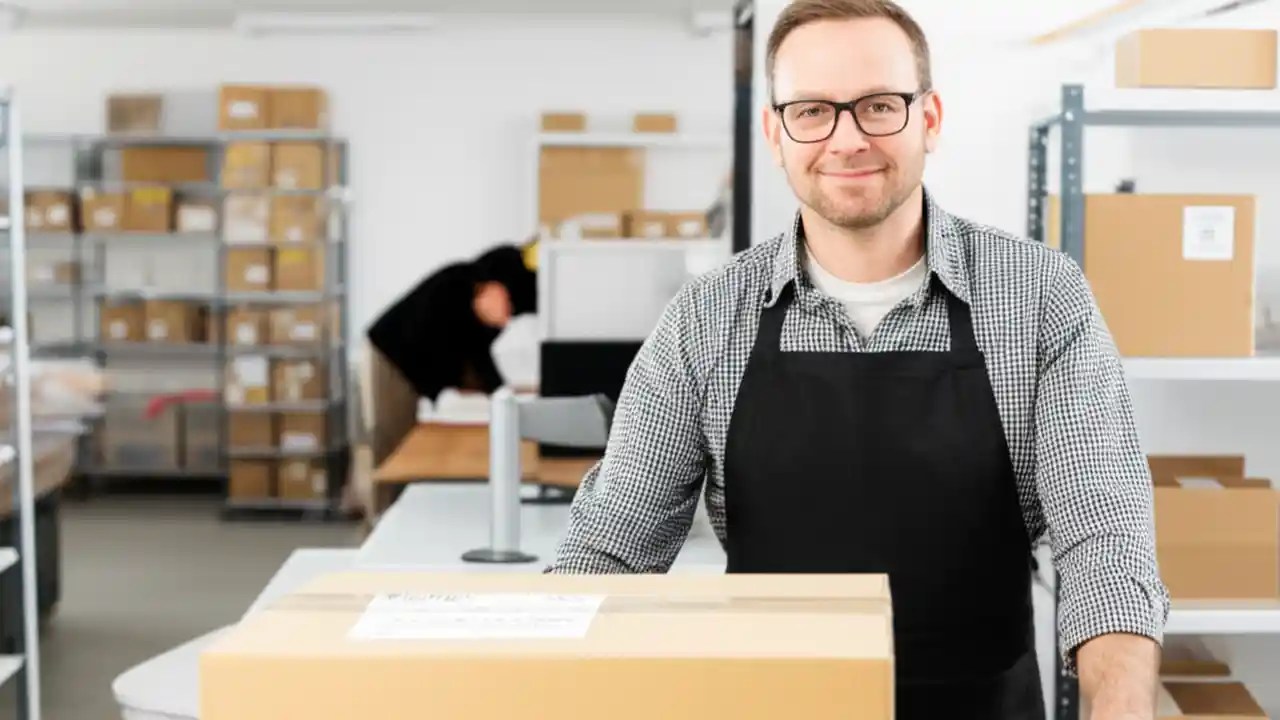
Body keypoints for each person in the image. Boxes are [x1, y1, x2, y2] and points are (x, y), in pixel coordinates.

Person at [546, 1, 1168, 718]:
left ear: (929, 119)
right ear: (775, 133)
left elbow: (1105, 536)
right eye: (812, 111)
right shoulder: (706, 317)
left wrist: (1118, 705)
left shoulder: (1040, 298)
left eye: (879, 105)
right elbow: (613, 544)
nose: (847, 139)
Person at [365, 241, 536, 465]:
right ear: (493, 286)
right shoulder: (460, 286)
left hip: (407, 364)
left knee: (403, 448)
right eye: (510, 308)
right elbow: (477, 357)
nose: (507, 319)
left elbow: (470, 362)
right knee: (394, 452)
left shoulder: (477, 293)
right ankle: (385, 500)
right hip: (391, 359)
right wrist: (503, 396)